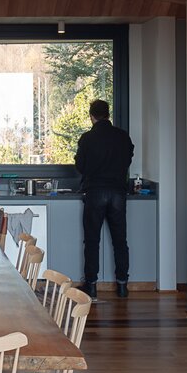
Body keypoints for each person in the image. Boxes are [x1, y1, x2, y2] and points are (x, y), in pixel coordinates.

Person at [74, 98, 134, 299]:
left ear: (91, 116)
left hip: (95, 192)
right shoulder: (123, 136)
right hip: (118, 193)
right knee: (120, 241)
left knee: (92, 241)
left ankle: (91, 286)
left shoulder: (87, 138)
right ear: (108, 114)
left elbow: (80, 166)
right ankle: (122, 286)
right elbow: (128, 159)